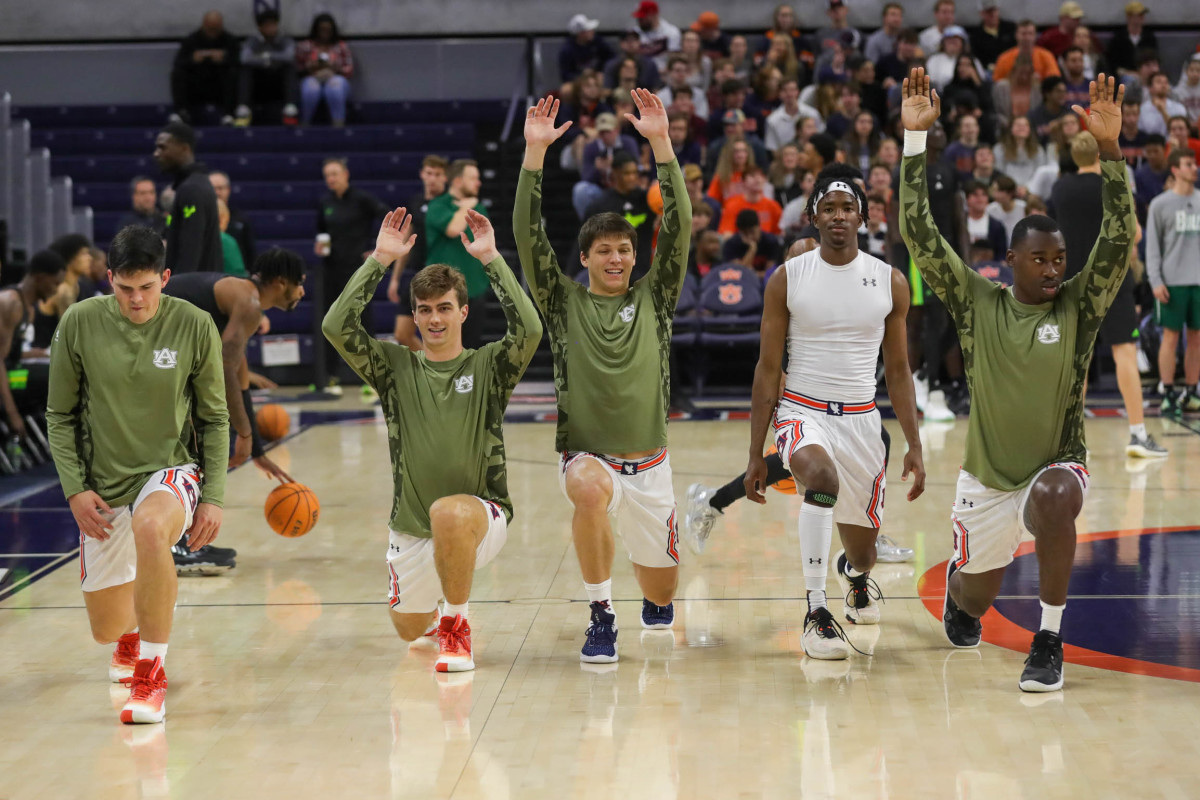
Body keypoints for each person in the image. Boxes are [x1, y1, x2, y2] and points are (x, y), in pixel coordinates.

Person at [899, 68, 1136, 692]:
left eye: (1060, 259)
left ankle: (1048, 638)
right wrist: (915, 142)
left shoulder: (1079, 306)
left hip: (1056, 464)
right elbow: (920, 237)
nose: (1054, 269)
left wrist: (1111, 152)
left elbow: (1117, 242)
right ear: (1011, 262)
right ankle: (961, 592)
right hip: (986, 480)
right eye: (1040, 259)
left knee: (1055, 498)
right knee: (973, 600)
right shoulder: (978, 302)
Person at [322, 204, 541, 672]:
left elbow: (531, 329)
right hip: (412, 527)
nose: (435, 319)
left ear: (463, 311)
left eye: (444, 308)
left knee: (449, 511)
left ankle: (457, 629)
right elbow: (335, 327)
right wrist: (380, 259)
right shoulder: (394, 367)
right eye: (425, 310)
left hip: (482, 515)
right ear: (415, 316)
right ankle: (436, 610)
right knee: (408, 631)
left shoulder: (489, 366)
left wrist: (491, 259)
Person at [514, 92, 691, 662]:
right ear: (586, 258)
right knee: (588, 491)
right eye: (604, 251)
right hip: (589, 457)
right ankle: (601, 614)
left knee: (661, 591)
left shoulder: (656, 297)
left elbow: (680, 227)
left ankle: (651, 588)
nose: (615, 258)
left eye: (624, 250)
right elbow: (527, 234)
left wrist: (661, 144)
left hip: (650, 466)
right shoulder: (562, 302)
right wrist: (534, 154)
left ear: (635, 257)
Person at [741, 161, 925, 659]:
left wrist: (914, 443)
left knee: (864, 554)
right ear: (813, 216)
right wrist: (756, 453)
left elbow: (899, 369)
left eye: (847, 207)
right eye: (829, 208)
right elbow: (767, 368)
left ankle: (853, 576)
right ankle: (816, 611)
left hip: (862, 420)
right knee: (820, 479)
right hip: (802, 411)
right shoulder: (787, 278)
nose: (838, 215)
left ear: (863, 217)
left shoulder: (890, 281)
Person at [47, 224, 229, 722]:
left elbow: (214, 418)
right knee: (105, 628)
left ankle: (152, 675)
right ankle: (130, 634)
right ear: (109, 278)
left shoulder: (195, 324)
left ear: (165, 278)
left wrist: (213, 496)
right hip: (104, 485)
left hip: (170, 471)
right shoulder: (79, 322)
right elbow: (59, 415)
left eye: (147, 287)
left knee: (151, 528)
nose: (136, 299)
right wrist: (74, 490)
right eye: (125, 288)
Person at [161, 249, 304, 572]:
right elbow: (225, 368)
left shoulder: (244, 297)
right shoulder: (249, 304)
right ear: (281, 283)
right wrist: (244, 432)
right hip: (154, 346)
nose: (302, 292)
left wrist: (255, 447)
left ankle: (181, 541)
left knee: (195, 443)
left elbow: (239, 376)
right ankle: (177, 545)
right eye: (300, 284)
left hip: (165, 346)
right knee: (190, 443)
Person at [1047, 131, 1165, 457]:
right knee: (1124, 352)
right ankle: (1138, 434)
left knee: (1077, 360)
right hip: (1111, 279)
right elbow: (1135, 234)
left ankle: (1070, 442)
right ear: (1099, 156)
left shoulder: (1060, 189)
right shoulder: (1113, 185)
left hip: (1073, 280)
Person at [315, 158, 388, 387]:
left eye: (335, 173)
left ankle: (373, 374)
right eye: (327, 175)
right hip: (332, 268)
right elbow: (321, 231)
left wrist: (376, 249)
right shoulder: (325, 201)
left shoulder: (362, 199)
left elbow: (387, 217)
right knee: (330, 321)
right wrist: (320, 246)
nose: (331, 179)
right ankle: (330, 375)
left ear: (346, 174)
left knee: (363, 320)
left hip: (357, 269)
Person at [1147, 148, 1200, 416]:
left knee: (1196, 339)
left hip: (1197, 282)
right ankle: (1167, 392)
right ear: (1175, 170)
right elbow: (1152, 247)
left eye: (1195, 164)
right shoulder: (1160, 204)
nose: (1195, 168)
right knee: (1170, 337)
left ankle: (1191, 391)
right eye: (1189, 164)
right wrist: (1155, 280)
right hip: (1171, 282)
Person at [426, 159, 492, 348]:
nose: (478, 183)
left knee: (471, 347)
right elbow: (453, 229)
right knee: (444, 346)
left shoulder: (479, 208)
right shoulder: (437, 205)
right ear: (457, 181)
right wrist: (466, 206)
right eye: (473, 178)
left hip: (474, 288)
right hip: (442, 291)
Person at [0, 251, 65, 441]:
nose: (56, 291)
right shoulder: (10, 303)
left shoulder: (28, 308)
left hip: (12, 373)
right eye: (55, 284)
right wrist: (12, 413)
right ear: (40, 277)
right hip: (10, 379)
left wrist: (37, 354)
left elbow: (8, 354)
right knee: (58, 377)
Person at [388, 155, 447, 352]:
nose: (433, 178)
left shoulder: (449, 204)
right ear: (422, 174)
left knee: (437, 333)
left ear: (445, 177)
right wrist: (395, 278)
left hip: (440, 277)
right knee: (402, 334)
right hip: (416, 274)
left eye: (437, 174)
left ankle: (440, 367)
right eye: (429, 173)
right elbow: (406, 241)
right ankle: (428, 367)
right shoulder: (416, 201)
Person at [154, 121, 221, 274]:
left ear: (184, 148)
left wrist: (178, 286)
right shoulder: (194, 184)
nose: (156, 153)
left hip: (194, 286)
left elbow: (191, 249)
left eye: (163, 147)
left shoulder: (192, 189)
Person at [584, 151, 657, 279]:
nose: (632, 178)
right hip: (611, 271)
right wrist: (571, 271)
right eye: (627, 173)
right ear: (615, 173)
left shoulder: (648, 201)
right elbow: (584, 240)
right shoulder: (600, 205)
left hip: (643, 272)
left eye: (635, 173)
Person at [170, 11, 239, 125]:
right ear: (204, 25)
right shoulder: (191, 40)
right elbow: (179, 63)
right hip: (197, 87)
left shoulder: (230, 41)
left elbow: (239, 63)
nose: (213, 33)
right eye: (210, 29)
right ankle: (182, 111)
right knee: (178, 73)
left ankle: (229, 114)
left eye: (216, 29)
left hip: (220, 88)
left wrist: (224, 59)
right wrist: (193, 60)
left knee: (233, 73)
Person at [236, 8, 298, 126]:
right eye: (267, 25)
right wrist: (272, 60)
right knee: (246, 70)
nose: (271, 28)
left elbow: (289, 56)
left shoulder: (284, 39)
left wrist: (265, 56)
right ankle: (243, 109)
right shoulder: (253, 40)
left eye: (273, 25)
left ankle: (290, 108)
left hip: (277, 81)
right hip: (259, 82)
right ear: (260, 27)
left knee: (289, 68)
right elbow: (245, 58)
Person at [296, 13, 353, 126]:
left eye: (328, 30)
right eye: (322, 30)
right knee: (311, 89)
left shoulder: (341, 46)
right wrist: (311, 67)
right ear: (316, 30)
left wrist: (335, 68)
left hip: (335, 77)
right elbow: (297, 68)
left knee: (335, 88)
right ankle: (305, 124)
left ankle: (338, 125)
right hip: (312, 77)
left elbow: (349, 69)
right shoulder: (305, 46)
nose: (325, 33)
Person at [209, 171, 256, 270]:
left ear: (228, 190)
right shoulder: (199, 219)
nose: (217, 193)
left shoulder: (241, 219)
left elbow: (250, 251)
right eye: (213, 188)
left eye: (220, 188)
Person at [718, 167, 782, 236]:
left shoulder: (773, 206)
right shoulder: (733, 205)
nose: (758, 180)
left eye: (761, 176)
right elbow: (727, 233)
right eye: (753, 176)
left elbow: (780, 233)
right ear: (743, 181)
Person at [992, 20, 1061, 83]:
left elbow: (1054, 79)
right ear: (1016, 35)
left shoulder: (1046, 56)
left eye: (1030, 34)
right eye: (1023, 34)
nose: (1027, 38)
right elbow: (997, 82)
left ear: (1035, 36)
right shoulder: (1004, 58)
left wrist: (1039, 82)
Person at [559, 14, 615, 88]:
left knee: (602, 79)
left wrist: (601, 72)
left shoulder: (597, 41)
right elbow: (566, 75)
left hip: (596, 77)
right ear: (581, 33)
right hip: (577, 81)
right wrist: (582, 76)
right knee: (566, 89)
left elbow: (612, 57)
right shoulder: (567, 50)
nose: (592, 31)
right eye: (588, 30)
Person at [722, 209, 783, 275]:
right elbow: (739, 272)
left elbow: (771, 273)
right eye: (745, 233)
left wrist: (753, 274)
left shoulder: (771, 242)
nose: (750, 236)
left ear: (759, 227)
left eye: (752, 232)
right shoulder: (731, 244)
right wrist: (752, 249)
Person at [1105, 1, 1156, 80]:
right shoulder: (1118, 38)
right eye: (1138, 15)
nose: (1141, 18)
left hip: (1147, 75)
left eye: (1142, 15)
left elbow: (1154, 58)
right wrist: (1130, 73)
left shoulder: (1149, 37)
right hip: (1124, 75)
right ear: (1129, 17)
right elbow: (1112, 64)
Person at [632, 1, 681, 72]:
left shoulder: (671, 32)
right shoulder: (635, 32)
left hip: (664, 73)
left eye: (642, 18)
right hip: (640, 73)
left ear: (653, 15)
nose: (639, 21)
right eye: (638, 18)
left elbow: (674, 60)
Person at [968, 0, 1016, 73]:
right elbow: (976, 58)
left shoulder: (1011, 28)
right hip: (989, 71)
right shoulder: (976, 36)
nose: (993, 14)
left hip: (1011, 68)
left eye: (994, 10)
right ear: (982, 13)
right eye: (989, 12)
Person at [1138, 72, 1187, 137]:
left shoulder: (1179, 108)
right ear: (1150, 88)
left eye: (1166, 82)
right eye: (1159, 82)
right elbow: (1141, 133)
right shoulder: (1142, 110)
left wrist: (1163, 111)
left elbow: (1178, 131)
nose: (1163, 85)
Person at [1029, 77, 1073, 143]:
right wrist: (1047, 129)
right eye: (1058, 91)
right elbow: (1030, 138)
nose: (1063, 94)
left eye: (1064, 91)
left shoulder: (1069, 113)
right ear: (1047, 94)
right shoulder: (1034, 115)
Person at [1133, 133, 1169, 211]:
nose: (1152, 155)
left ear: (1164, 149)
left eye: (1156, 151)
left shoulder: (1174, 171)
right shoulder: (1139, 175)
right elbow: (1142, 204)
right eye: (1148, 152)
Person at [986, 175, 1025, 241]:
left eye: (998, 191)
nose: (994, 194)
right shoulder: (990, 209)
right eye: (994, 190)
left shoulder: (1023, 208)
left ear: (1010, 193)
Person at [1175, 55, 1200, 126]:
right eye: (1191, 70)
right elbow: (1177, 113)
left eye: (1198, 71)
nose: (1195, 74)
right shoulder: (1177, 92)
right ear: (1186, 71)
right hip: (1186, 126)